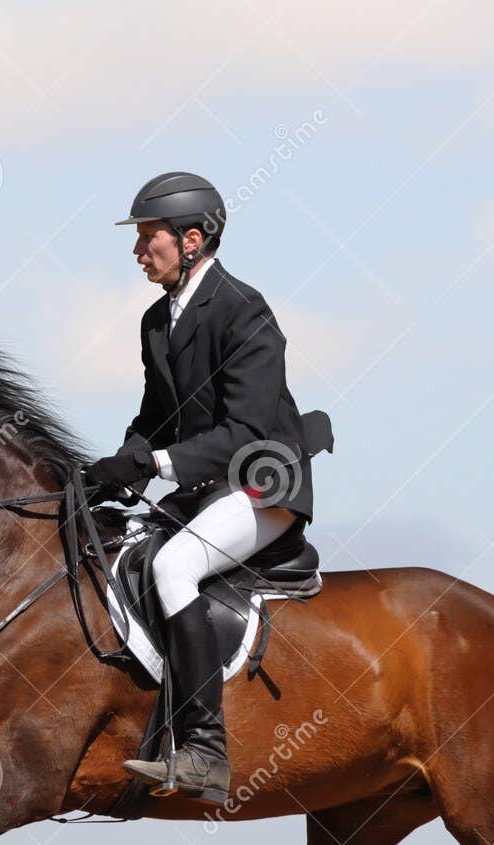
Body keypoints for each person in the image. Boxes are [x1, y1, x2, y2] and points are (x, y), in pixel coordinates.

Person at [83, 171, 318, 804]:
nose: (137, 252)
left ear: (192, 239)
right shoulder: (157, 322)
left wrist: (151, 465)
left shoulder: (245, 310)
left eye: (146, 237)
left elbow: (244, 432)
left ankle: (205, 752)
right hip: (205, 489)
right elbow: (153, 419)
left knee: (175, 568)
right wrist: (103, 469)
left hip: (263, 484)